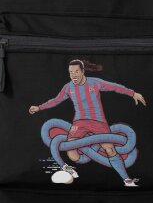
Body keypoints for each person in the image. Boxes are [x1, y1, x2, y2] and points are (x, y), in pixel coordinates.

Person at [29, 59, 146, 187]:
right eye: (71, 72)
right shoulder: (68, 87)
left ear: (83, 71)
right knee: (71, 153)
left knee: (110, 149)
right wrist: (39, 107)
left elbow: (114, 87)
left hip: (98, 122)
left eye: (76, 71)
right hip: (79, 122)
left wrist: (132, 93)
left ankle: (127, 180)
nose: (73, 75)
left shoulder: (94, 83)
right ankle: (70, 168)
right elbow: (56, 100)